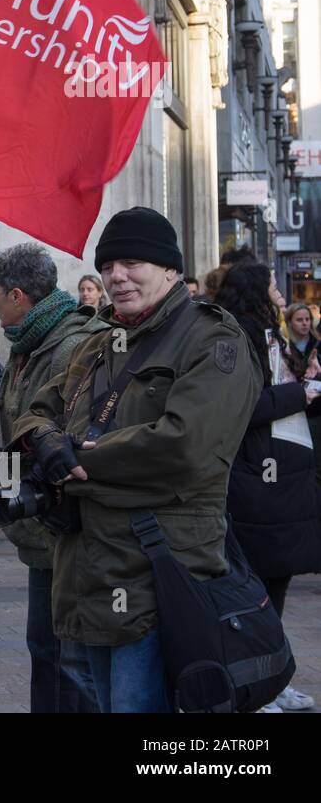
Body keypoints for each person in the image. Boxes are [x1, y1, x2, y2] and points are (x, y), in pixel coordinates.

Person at [12, 207, 260, 713]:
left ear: (171, 269)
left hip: (162, 572)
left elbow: (185, 445)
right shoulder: (101, 341)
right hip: (87, 569)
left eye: (132, 262)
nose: (116, 276)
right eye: (107, 266)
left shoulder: (214, 338)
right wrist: (45, 443)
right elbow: (35, 412)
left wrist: (75, 462)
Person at [0, 243, 105, 713]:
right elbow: (14, 417)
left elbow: (73, 433)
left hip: (68, 527)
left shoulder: (72, 344)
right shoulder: (28, 342)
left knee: (70, 658)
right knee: (46, 649)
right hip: (43, 530)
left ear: (18, 295)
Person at [216, 262, 320, 712]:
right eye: (273, 283)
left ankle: (273, 680)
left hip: (280, 477)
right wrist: (302, 393)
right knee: (256, 587)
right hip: (256, 477)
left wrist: (303, 380)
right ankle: (254, 687)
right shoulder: (239, 334)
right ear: (256, 290)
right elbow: (244, 407)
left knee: (274, 582)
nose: (280, 290)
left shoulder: (268, 334)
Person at [282, 301, 319, 383]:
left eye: (307, 319)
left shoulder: (318, 344)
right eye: (299, 320)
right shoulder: (284, 346)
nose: (304, 323)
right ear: (289, 322)